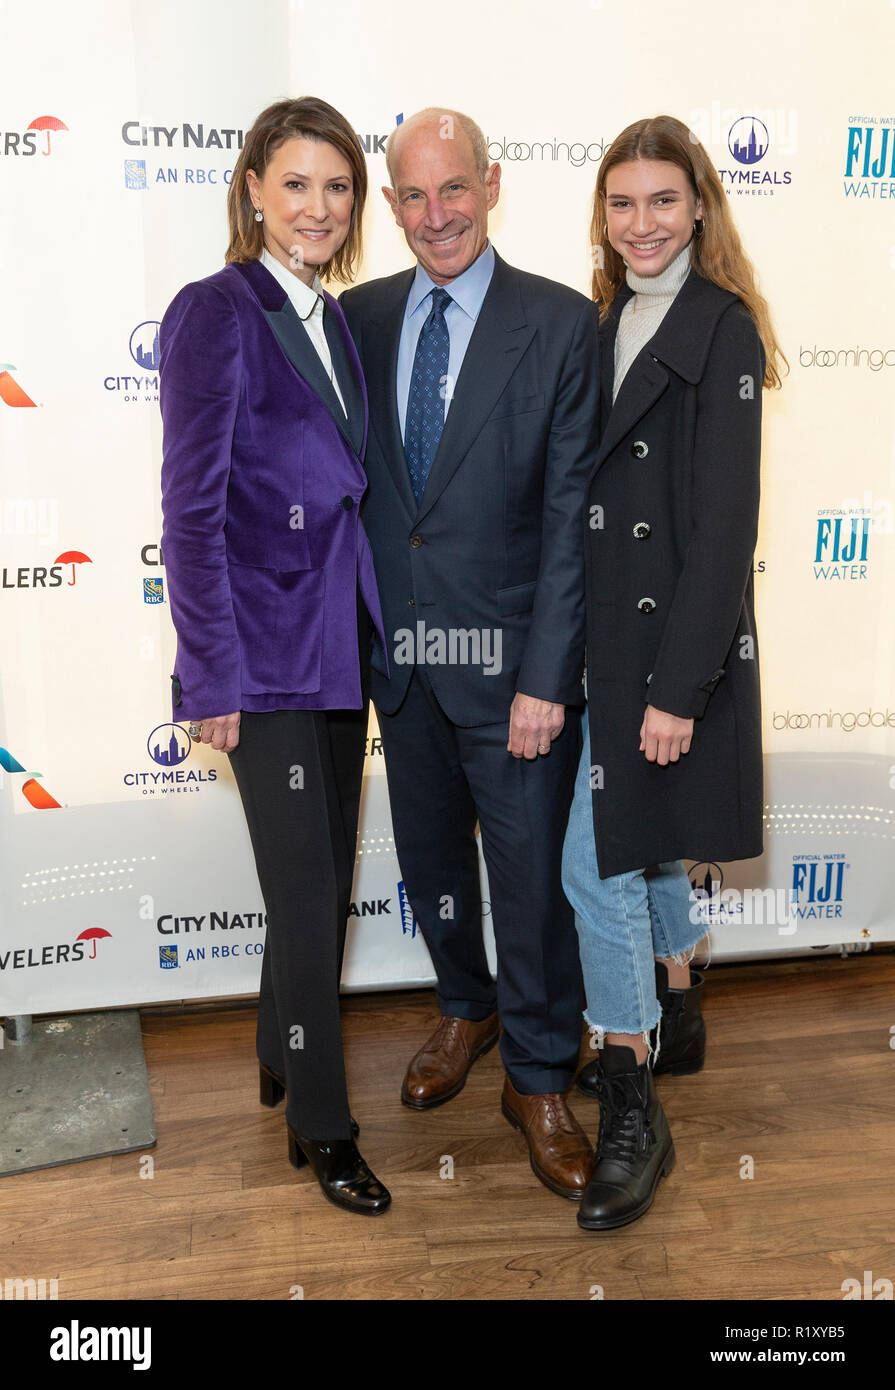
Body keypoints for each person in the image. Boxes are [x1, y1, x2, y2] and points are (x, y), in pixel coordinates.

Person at [340, 108, 601, 1201]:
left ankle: (538, 1071)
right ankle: (466, 1007)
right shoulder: (356, 317)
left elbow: (571, 513)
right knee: (434, 866)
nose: (435, 214)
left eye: (454, 189)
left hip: (514, 676)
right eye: (412, 194)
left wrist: (548, 673)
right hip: (400, 662)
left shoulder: (559, 322)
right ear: (389, 203)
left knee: (530, 883)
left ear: (492, 185)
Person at [158, 96, 391, 1217]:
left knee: (319, 887)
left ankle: (273, 1048)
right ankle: (324, 1125)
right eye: (295, 183)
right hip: (260, 661)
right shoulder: (217, 312)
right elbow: (190, 513)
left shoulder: (331, 320)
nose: (317, 206)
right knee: (307, 901)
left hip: (338, 649)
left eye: (337, 186)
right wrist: (209, 675)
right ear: (252, 188)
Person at [561, 114, 786, 1230]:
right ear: (600, 216)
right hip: (598, 642)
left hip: (661, 657)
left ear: (700, 204)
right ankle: (680, 988)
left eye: (661, 201)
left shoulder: (721, 327)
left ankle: (629, 1096)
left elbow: (722, 527)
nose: (640, 223)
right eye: (621, 203)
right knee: (631, 843)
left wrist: (673, 690)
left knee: (590, 865)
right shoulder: (604, 317)